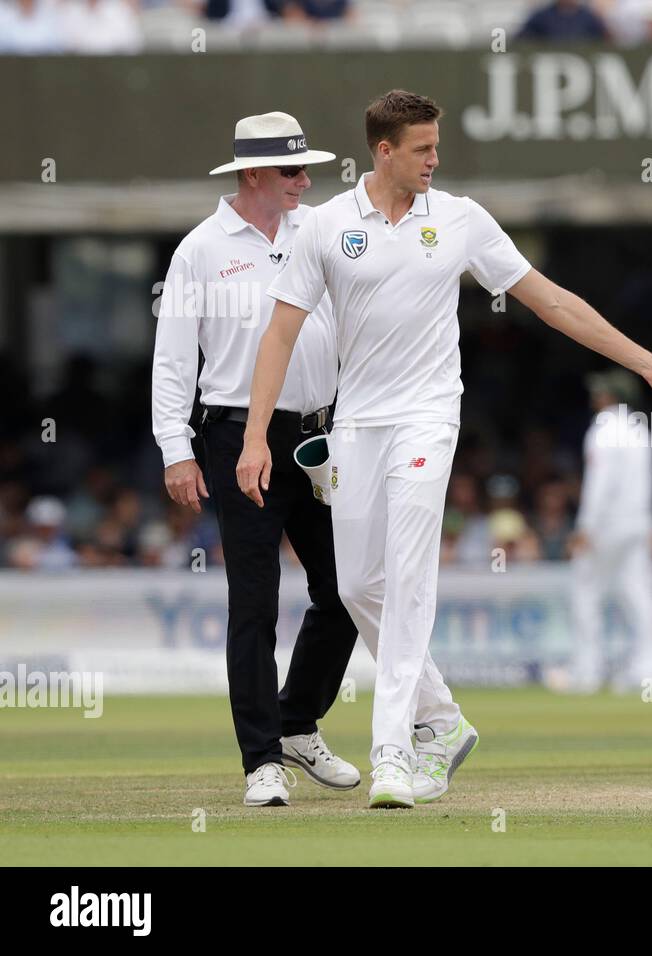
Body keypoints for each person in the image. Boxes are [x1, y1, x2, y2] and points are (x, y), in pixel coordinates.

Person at [237, 90, 652, 809]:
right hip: (357, 424)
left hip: (429, 417)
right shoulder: (328, 227)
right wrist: (253, 436)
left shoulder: (461, 219)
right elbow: (279, 333)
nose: (436, 159)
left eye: (438, 146)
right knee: (357, 587)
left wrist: (646, 363)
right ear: (384, 151)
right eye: (423, 149)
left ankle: (393, 750)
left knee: (405, 575)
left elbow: (551, 300)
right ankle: (446, 720)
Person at [151, 112, 361, 807]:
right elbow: (175, 360)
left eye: (307, 169)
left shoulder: (322, 233)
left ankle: (297, 721)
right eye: (292, 171)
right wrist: (176, 450)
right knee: (255, 600)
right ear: (252, 176)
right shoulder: (202, 250)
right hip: (237, 433)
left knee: (347, 589)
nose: (306, 182)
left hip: (322, 435)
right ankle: (261, 760)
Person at [567, 370, 652, 692]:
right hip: (637, 522)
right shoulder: (639, 430)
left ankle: (587, 672)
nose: (595, 398)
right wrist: (649, 524)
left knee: (586, 593)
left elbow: (600, 484)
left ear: (610, 397)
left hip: (607, 526)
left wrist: (585, 526)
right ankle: (648, 669)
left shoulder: (604, 430)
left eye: (600, 393)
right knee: (638, 595)